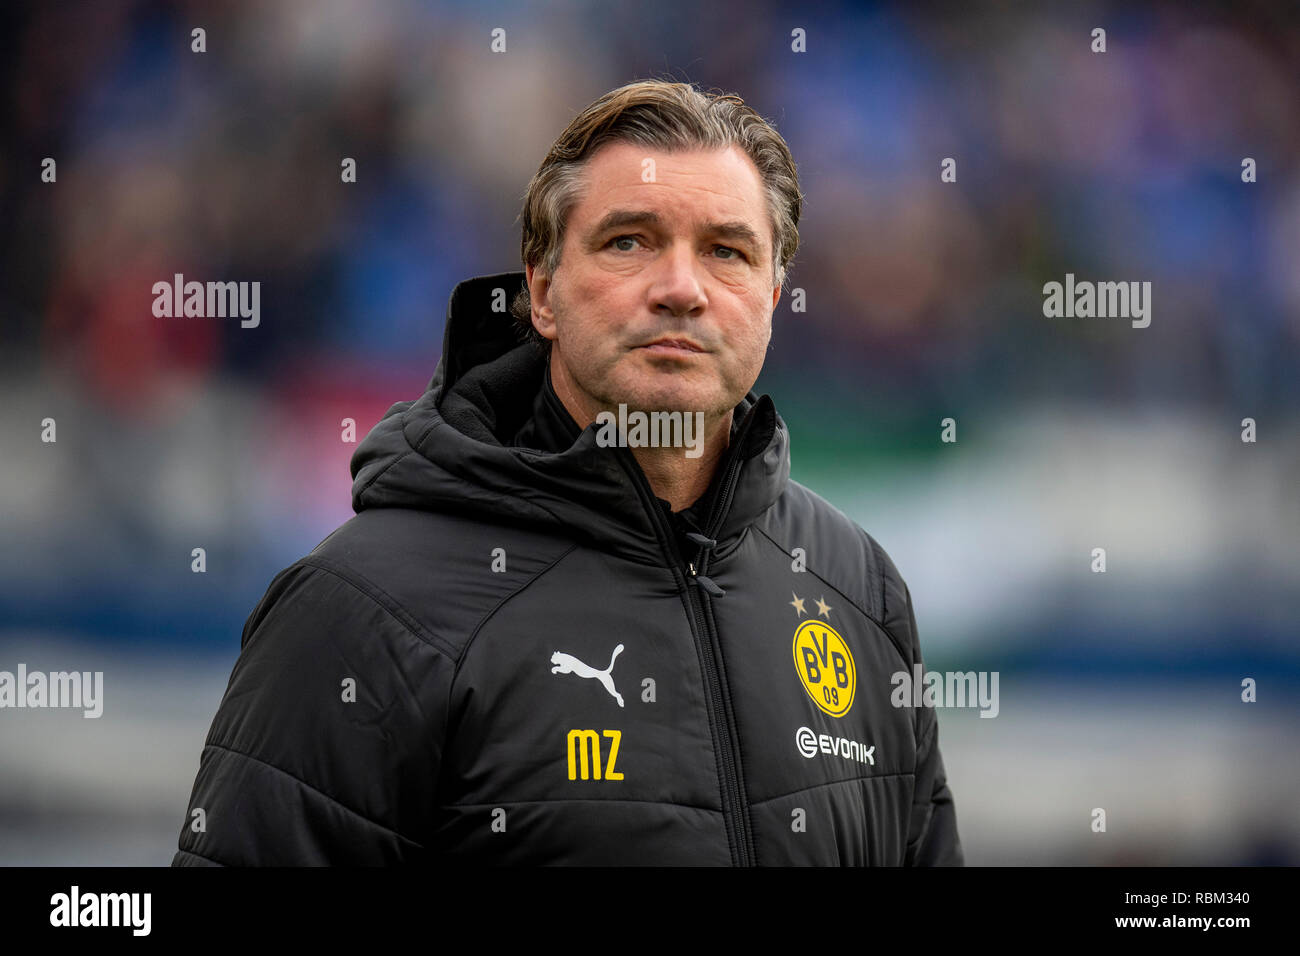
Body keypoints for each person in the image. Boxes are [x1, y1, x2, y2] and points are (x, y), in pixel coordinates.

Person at [173, 79, 963, 866]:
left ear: (772, 295)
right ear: (542, 291)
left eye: (726, 251)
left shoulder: (857, 590)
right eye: (629, 241)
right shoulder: (363, 608)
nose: (681, 289)